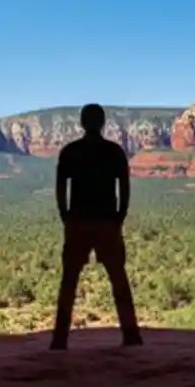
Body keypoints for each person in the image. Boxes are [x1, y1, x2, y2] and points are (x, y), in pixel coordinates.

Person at [50, 103, 143, 350]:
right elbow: (124, 188)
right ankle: (131, 334)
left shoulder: (70, 151)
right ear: (103, 123)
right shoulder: (114, 152)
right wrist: (118, 217)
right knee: (118, 278)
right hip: (107, 222)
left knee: (69, 281)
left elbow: (61, 188)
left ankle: (59, 339)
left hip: (78, 221)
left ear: (82, 123)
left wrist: (66, 216)